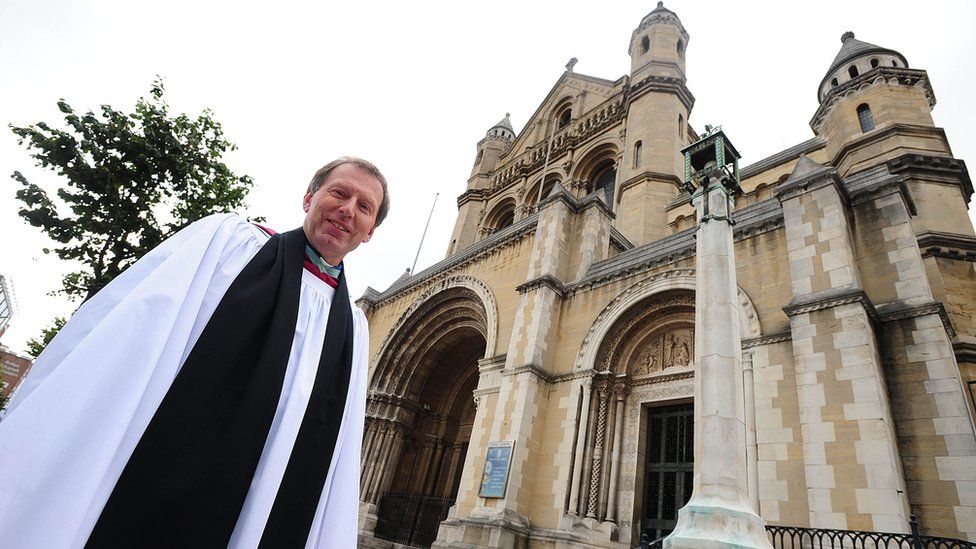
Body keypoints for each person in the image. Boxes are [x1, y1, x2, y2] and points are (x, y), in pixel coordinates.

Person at [0, 156, 389, 549]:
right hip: (165, 472)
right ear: (309, 198)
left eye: (364, 207)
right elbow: (136, 330)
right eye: (339, 193)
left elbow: (336, 456)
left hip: (266, 502)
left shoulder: (353, 331)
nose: (347, 209)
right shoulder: (231, 245)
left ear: (369, 231)